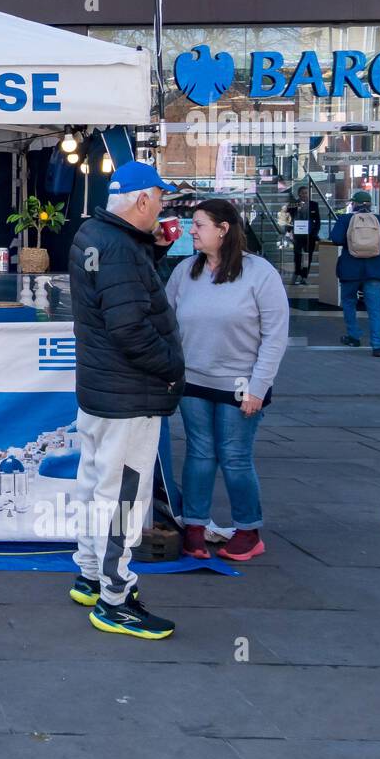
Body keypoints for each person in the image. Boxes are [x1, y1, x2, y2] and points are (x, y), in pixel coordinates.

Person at [67, 160, 184, 640]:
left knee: (96, 484)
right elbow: (129, 326)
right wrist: (173, 368)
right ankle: (115, 600)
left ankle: (91, 575)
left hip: (102, 392)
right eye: (160, 198)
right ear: (142, 199)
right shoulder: (117, 247)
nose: (162, 208)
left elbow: (117, 301)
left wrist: (150, 252)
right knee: (122, 499)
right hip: (129, 395)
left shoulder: (95, 235)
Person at [166, 199, 289, 562]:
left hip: (241, 385)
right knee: (200, 453)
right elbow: (168, 321)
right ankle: (194, 526)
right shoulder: (185, 271)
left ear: (223, 229)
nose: (192, 231)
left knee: (235, 457)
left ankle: (248, 531)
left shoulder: (260, 273)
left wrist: (259, 387)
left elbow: (275, 334)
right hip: (194, 382)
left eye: (199, 225)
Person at [330, 190, 380, 357]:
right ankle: (377, 346)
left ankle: (353, 336)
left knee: (348, 302)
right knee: (375, 308)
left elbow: (336, 239)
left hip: (350, 269)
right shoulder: (379, 220)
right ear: (370, 204)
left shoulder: (346, 219)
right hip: (374, 269)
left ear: (354, 204)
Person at [284, 186, 321, 285]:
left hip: (310, 236)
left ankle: (304, 276)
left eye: (306, 193)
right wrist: (288, 232)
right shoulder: (292, 205)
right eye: (302, 193)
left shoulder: (314, 205)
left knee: (308, 256)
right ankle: (296, 273)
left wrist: (315, 233)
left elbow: (317, 221)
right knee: (297, 256)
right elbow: (288, 220)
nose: (304, 195)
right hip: (297, 235)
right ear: (299, 194)